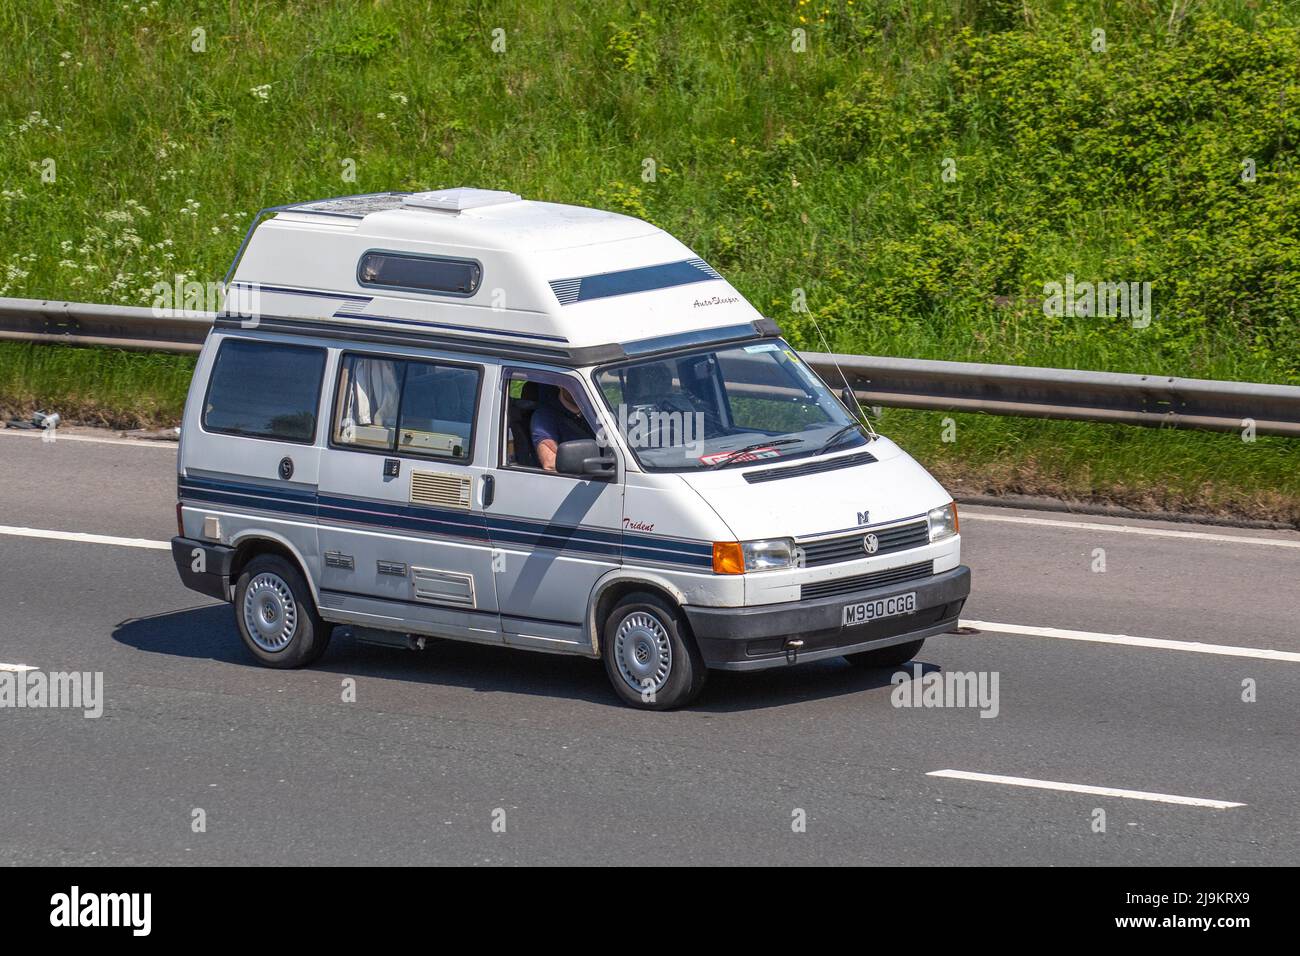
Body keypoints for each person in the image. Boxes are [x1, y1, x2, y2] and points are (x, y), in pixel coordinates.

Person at [530, 386, 594, 471]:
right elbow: (549, 462)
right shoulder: (544, 416)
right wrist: (585, 463)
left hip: (609, 473)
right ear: (560, 385)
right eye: (574, 386)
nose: (582, 390)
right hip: (578, 478)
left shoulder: (598, 411)